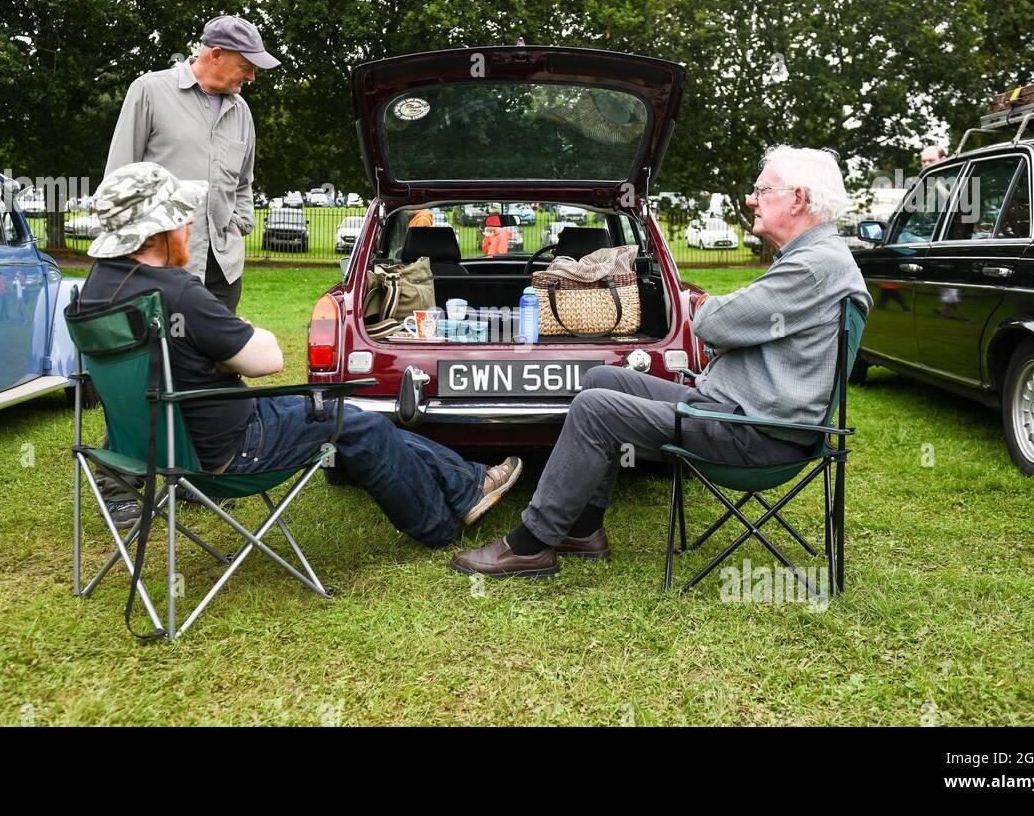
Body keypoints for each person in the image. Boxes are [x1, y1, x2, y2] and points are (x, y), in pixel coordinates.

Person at [451, 146, 873, 579]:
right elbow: (737, 323)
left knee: (595, 410)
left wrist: (712, 309)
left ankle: (530, 545)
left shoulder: (813, 267)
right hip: (742, 412)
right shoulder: (818, 259)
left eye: (762, 190)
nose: (751, 199)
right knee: (601, 379)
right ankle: (582, 529)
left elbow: (713, 323)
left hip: (759, 435)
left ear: (797, 200)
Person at [78, 162, 524, 549]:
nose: (190, 226)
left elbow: (159, 360)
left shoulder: (94, 293)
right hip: (228, 450)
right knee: (357, 423)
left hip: (154, 449)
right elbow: (266, 360)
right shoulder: (174, 291)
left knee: (335, 410)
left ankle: (468, 482)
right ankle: (438, 523)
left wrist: (206, 353)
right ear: (158, 229)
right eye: (182, 219)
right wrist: (236, 341)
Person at [107, 14, 274, 315]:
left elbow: (244, 182)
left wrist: (240, 223)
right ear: (216, 55)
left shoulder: (242, 112)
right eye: (246, 68)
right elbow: (119, 176)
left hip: (223, 267)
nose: (251, 78)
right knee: (167, 354)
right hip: (163, 264)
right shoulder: (149, 91)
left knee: (216, 355)